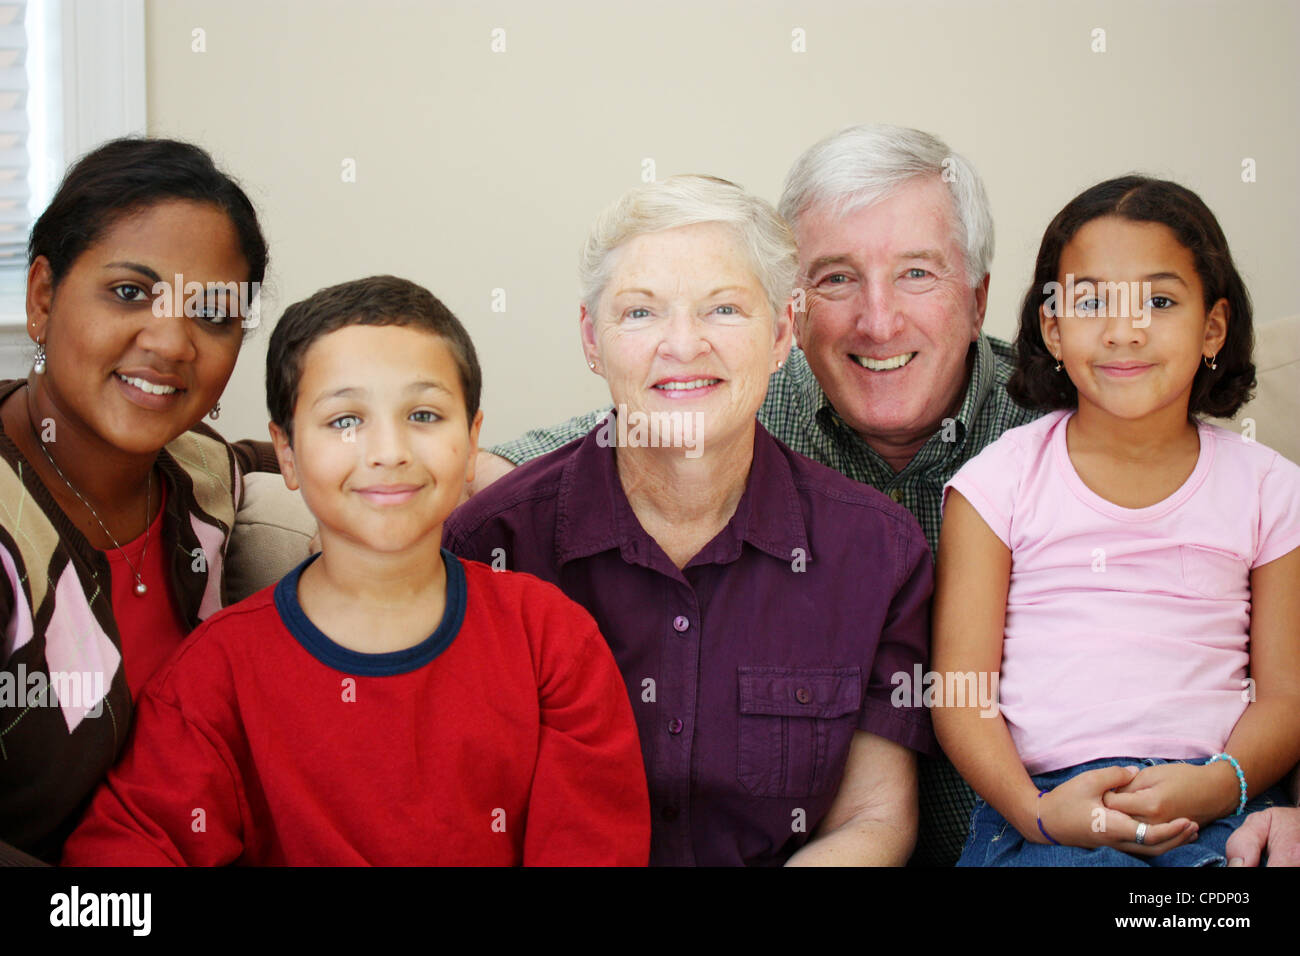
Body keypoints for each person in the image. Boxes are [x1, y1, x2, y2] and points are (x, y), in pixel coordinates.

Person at [467, 124, 1039, 865]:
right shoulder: (518, 529)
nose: (878, 319)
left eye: (917, 274)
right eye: (836, 276)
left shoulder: (1064, 436)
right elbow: (632, 420)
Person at [62, 276, 650, 866]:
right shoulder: (216, 676)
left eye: (423, 414)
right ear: (286, 452)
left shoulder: (550, 640)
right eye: (345, 420)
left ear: (471, 444)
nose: (388, 451)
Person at [932, 176, 1300, 866]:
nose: (1124, 329)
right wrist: (1038, 816)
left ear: (1212, 328)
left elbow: (1287, 694)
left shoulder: (1272, 490)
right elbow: (961, 691)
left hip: (1221, 802)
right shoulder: (997, 483)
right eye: (1092, 301)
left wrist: (1220, 786)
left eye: (1159, 301)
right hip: (1043, 805)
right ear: (1053, 327)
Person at [0, 137, 277, 864]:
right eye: (130, 292)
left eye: (213, 314)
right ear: (42, 297)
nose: (171, 341)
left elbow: (298, 458)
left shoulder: (197, 474)